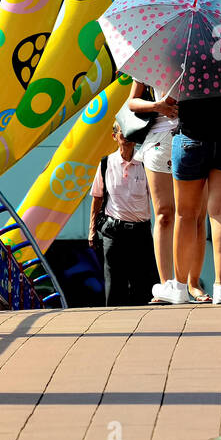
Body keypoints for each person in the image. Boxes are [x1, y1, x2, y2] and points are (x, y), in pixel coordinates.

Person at [154, 82, 221, 305]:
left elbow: (168, 99)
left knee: (185, 215)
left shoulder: (182, 60)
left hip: (193, 135)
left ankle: (180, 288)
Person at [127, 82, 210, 303]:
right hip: (158, 140)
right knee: (164, 214)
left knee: (197, 216)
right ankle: (166, 284)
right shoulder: (149, 61)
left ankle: (193, 284)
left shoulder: (199, 61)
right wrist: (158, 105)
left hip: (194, 136)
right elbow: (132, 102)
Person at [89, 120, 159, 306]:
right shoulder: (106, 163)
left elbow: (157, 198)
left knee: (142, 285)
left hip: (140, 232)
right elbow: (97, 198)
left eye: (130, 132)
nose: (126, 136)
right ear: (114, 136)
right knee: (114, 285)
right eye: (122, 132)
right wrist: (92, 230)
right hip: (114, 231)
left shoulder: (145, 162)